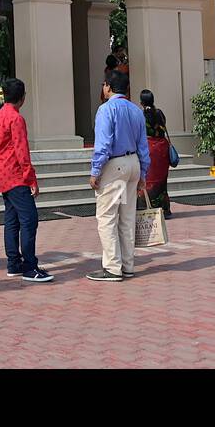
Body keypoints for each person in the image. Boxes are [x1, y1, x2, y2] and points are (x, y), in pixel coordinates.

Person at [87, 70, 149, 282]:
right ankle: (127, 264)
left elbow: (103, 145)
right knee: (127, 216)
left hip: (114, 167)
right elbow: (143, 145)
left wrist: (95, 171)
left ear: (108, 87)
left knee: (107, 217)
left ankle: (112, 267)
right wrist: (143, 172)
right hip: (132, 164)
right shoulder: (136, 110)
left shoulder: (106, 110)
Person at [0, 78, 51, 282]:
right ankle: (29, 266)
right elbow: (22, 151)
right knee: (29, 219)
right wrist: (31, 178)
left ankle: (13, 263)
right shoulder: (16, 118)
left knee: (11, 220)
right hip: (15, 174)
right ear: (22, 98)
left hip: (2, 173)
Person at [139, 89, 174, 220]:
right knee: (162, 181)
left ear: (141, 102)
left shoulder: (141, 115)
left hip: (149, 149)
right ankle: (164, 209)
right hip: (162, 149)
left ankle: (147, 207)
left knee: (147, 179)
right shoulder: (159, 113)